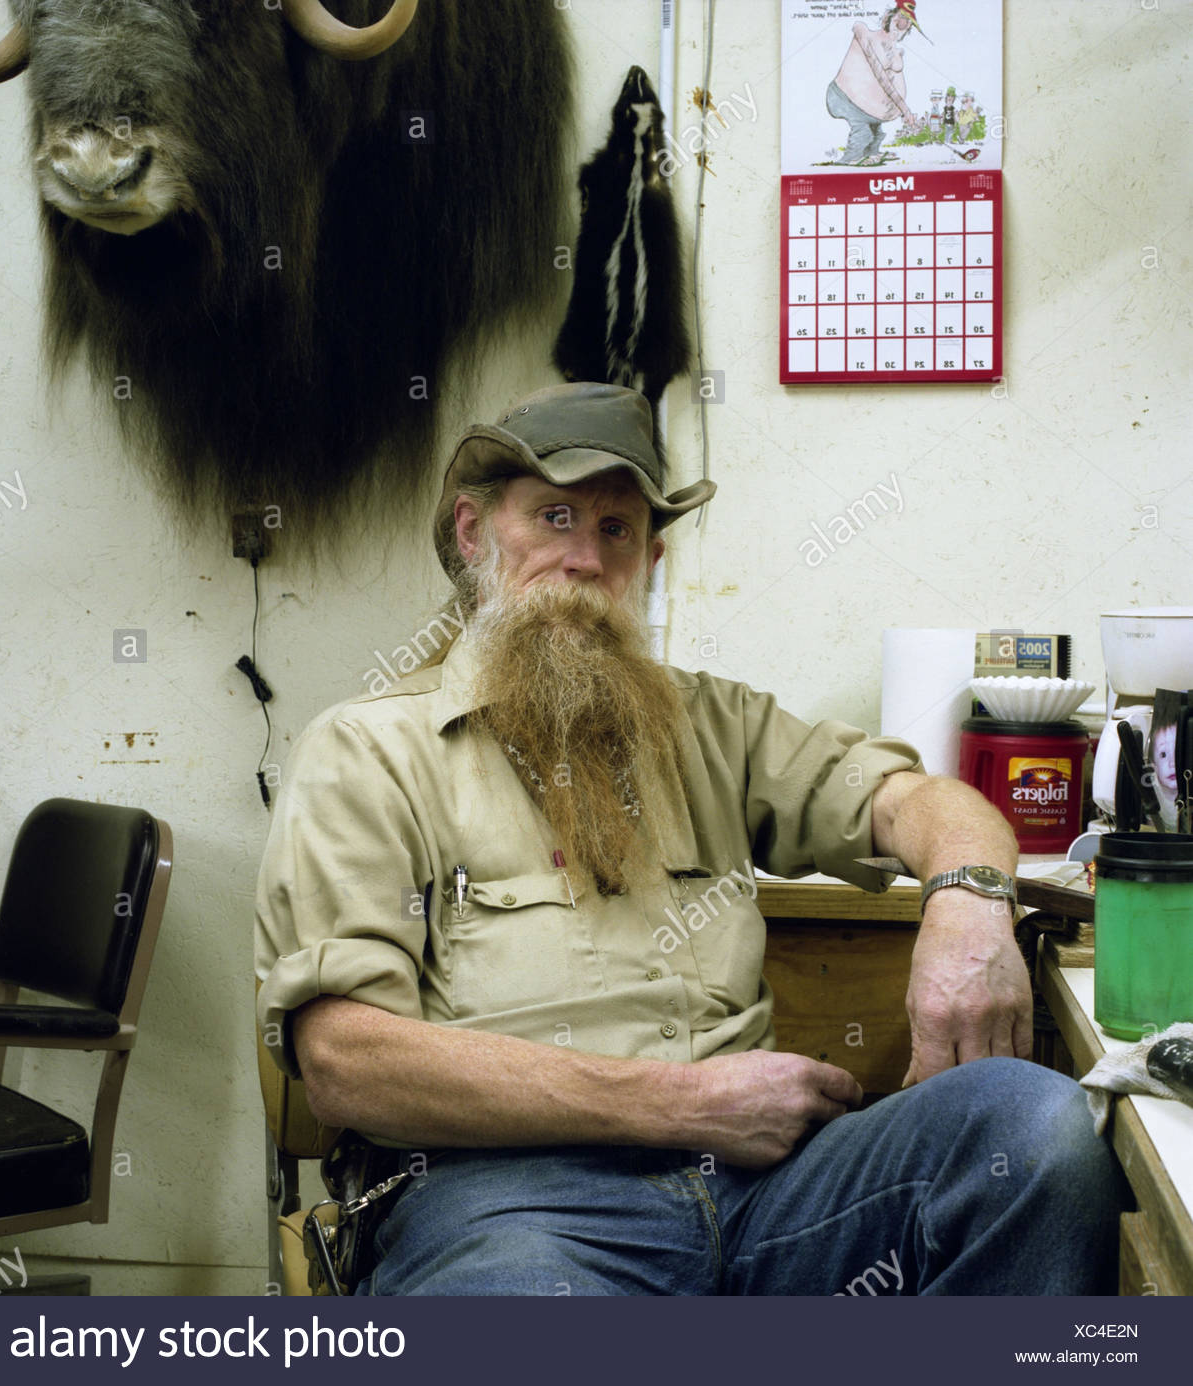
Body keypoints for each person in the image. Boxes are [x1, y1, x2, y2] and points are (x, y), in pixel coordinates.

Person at [254, 381, 1127, 1296]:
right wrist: (686, 1105)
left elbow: (916, 801)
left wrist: (971, 907)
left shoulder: (713, 724)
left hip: (772, 1193)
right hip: (510, 1208)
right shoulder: (365, 752)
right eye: (553, 516)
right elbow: (347, 1064)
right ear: (474, 534)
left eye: (617, 529)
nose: (585, 559)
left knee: (1037, 1130)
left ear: (651, 557)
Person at [826, 2, 921, 166]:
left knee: (876, 132)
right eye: (900, 19)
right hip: (847, 98)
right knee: (863, 132)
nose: (902, 25)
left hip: (871, 108)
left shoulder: (894, 49)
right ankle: (850, 158)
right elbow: (881, 77)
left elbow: (891, 77)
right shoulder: (868, 37)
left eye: (906, 23)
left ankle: (872, 152)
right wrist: (905, 110)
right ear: (889, 17)